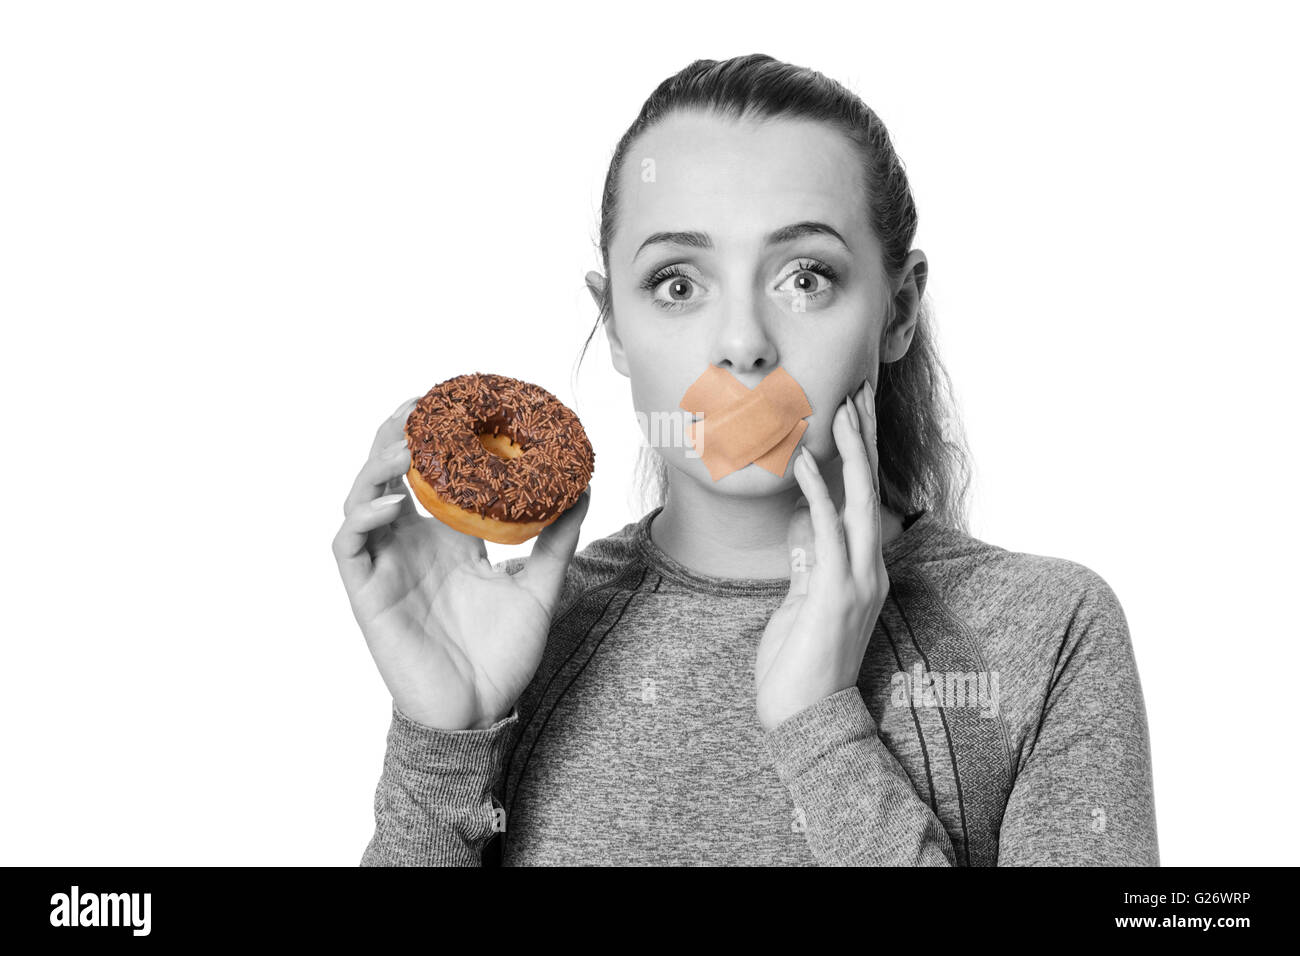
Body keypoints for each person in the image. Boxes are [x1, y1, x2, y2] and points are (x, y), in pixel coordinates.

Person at [333, 53, 1159, 866]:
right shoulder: (525, 639)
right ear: (613, 323)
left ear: (899, 309)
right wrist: (447, 740)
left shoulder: (1049, 630)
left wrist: (821, 725)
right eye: (677, 284)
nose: (742, 345)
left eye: (805, 277)